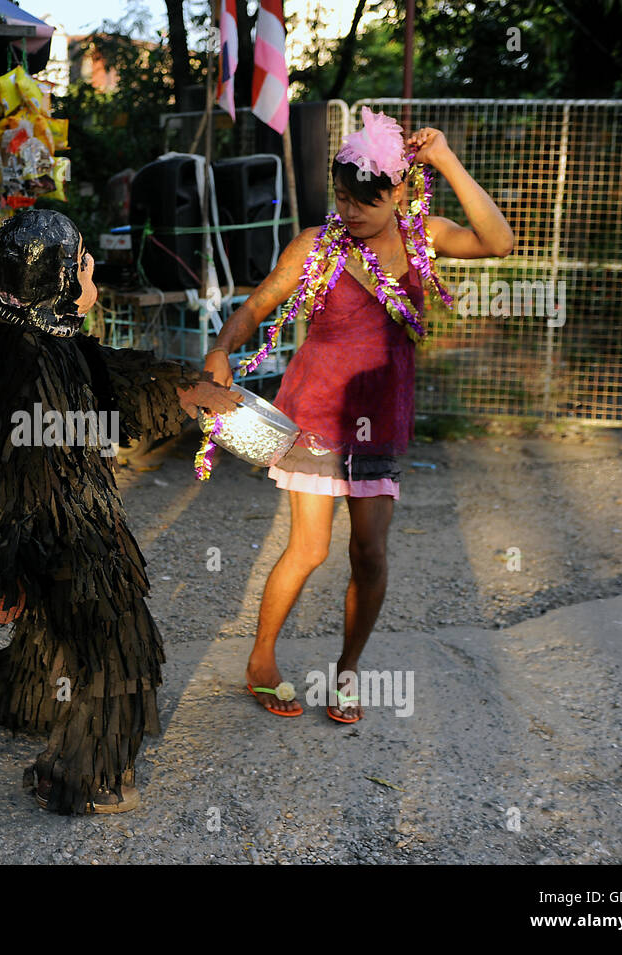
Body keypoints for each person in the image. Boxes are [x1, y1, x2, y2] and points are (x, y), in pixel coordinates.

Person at [204, 108, 514, 722]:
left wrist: (446, 158)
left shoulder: (425, 237)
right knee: (309, 549)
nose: (348, 211)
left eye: (362, 202)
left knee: (369, 553)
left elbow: (498, 242)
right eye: (340, 197)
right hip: (316, 413)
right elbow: (260, 303)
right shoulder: (317, 246)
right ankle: (261, 660)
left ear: (398, 192)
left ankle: (347, 671)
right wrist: (219, 349)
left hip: (380, 419)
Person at [0, 209, 240, 814]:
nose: (91, 274)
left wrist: (195, 390)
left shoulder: (34, 341)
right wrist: (7, 572)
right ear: (55, 283)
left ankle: (27, 704)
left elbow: (109, 374)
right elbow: (14, 475)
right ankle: (81, 776)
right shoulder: (31, 369)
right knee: (119, 645)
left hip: (60, 520)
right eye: (81, 265)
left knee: (58, 625)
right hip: (65, 529)